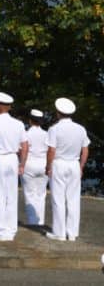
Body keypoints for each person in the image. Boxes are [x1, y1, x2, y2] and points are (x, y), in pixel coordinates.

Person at [0, 91, 28, 241]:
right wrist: (22, 164)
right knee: (11, 195)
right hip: (13, 159)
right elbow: (25, 146)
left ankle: (0, 230)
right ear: (9, 107)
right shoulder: (18, 124)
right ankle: (11, 229)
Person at [45, 97, 90, 241]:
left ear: (58, 113)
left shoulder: (54, 129)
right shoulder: (81, 129)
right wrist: (81, 166)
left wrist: (48, 166)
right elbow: (85, 150)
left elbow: (51, 150)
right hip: (74, 164)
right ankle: (72, 233)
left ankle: (59, 232)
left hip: (59, 163)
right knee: (73, 199)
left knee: (58, 199)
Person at [21, 108, 49, 226]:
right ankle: (40, 221)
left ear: (30, 120)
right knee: (41, 194)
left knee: (30, 194)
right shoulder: (47, 134)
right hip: (43, 164)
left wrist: (21, 164)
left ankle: (32, 221)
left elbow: (22, 150)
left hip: (29, 164)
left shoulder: (26, 134)